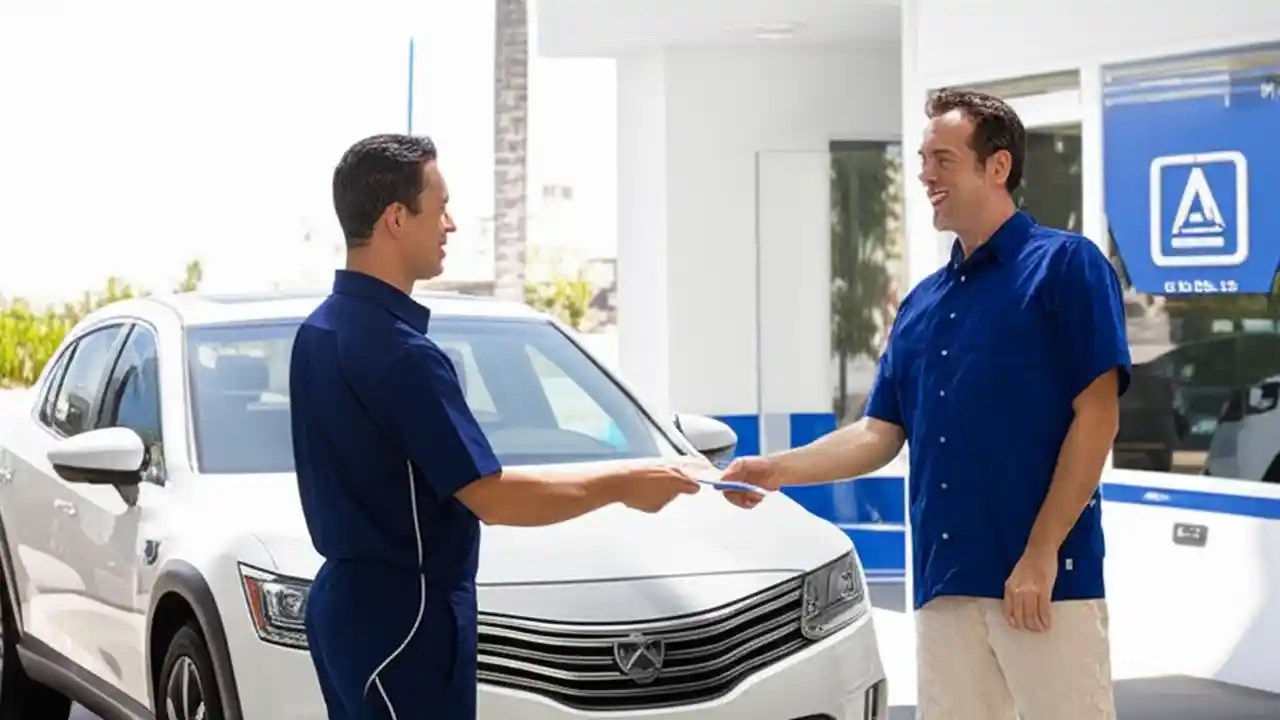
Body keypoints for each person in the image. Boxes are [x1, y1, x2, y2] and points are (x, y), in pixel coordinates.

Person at [721, 89, 1130, 719]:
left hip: (1045, 583)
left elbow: (1097, 416)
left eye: (943, 159)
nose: (925, 175)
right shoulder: (922, 304)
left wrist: (1041, 553)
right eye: (922, 160)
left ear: (997, 167)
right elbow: (877, 435)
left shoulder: (1066, 266)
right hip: (945, 587)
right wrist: (775, 470)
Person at [289, 133, 703, 720]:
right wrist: (625, 483)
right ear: (396, 219)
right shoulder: (400, 353)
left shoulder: (319, 331)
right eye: (440, 208)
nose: (451, 225)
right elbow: (492, 497)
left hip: (348, 609)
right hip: (407, 619)